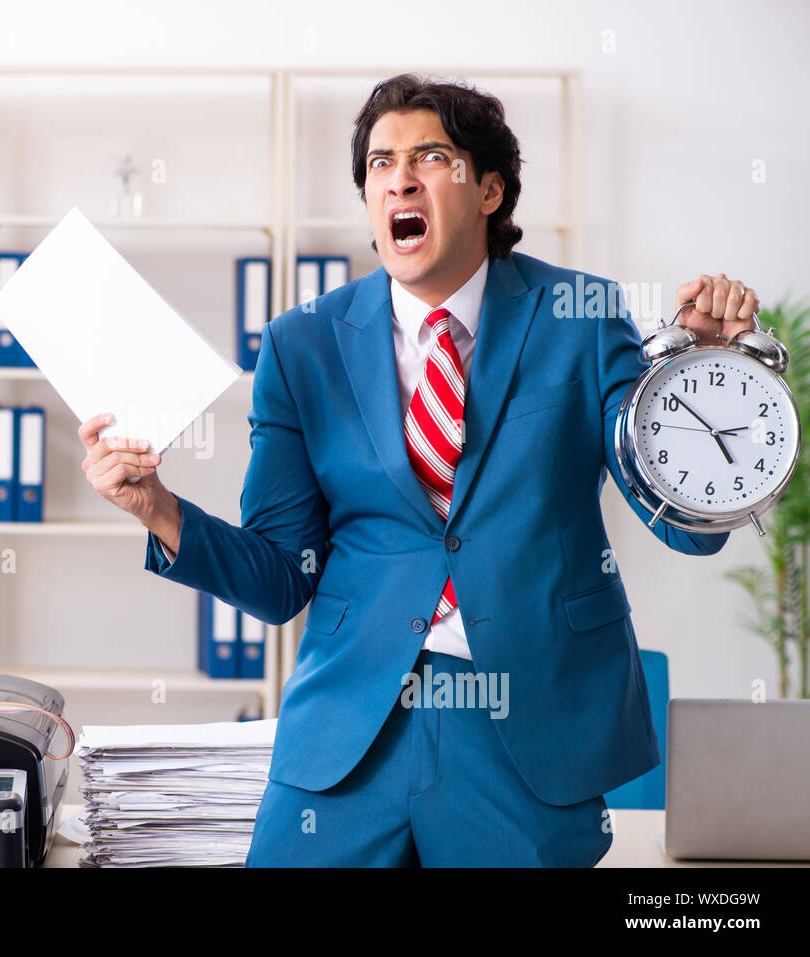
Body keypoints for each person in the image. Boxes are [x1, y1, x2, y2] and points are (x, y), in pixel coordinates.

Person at [76, 73, 760, 866]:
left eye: (430, 156)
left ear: (489, 190)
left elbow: (682, 528)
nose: (398, 176)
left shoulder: (583, 316)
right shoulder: (303, 345)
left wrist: (702, 374)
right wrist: (156, 507)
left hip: (522, 730)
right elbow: (279, 578)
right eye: (379, 163)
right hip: (349, 729)